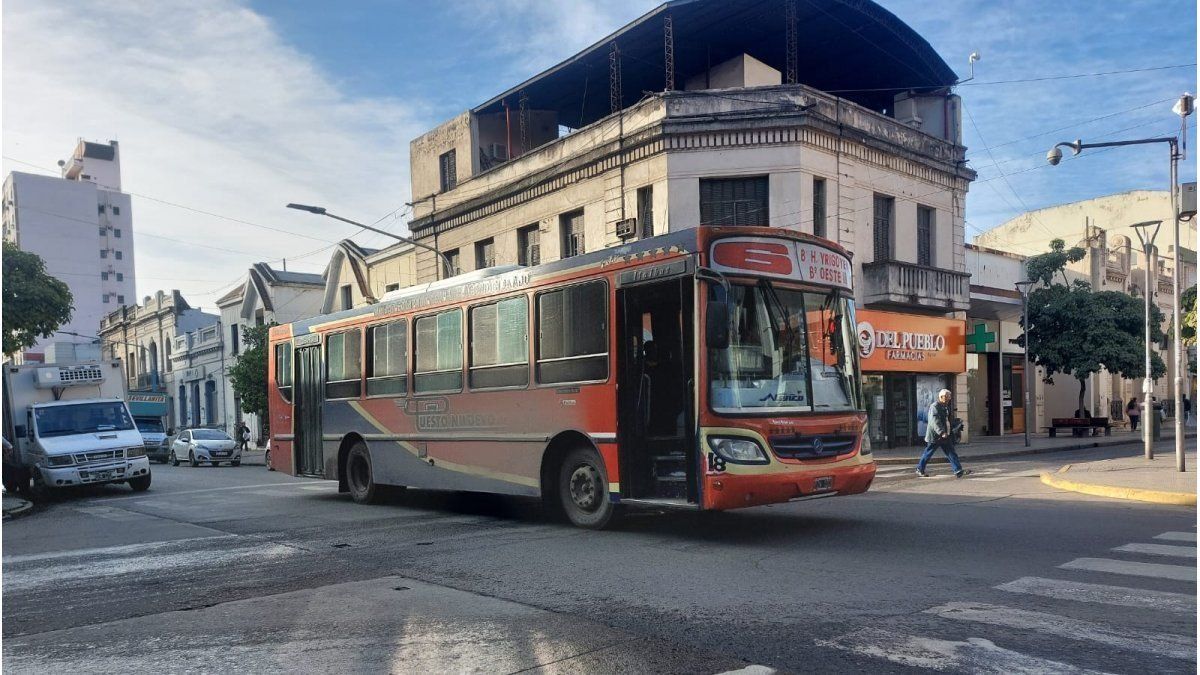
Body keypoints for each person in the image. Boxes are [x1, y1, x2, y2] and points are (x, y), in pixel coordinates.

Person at [917, 389, 970, 478]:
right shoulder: (935, 406)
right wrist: (941, 432)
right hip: (936, 436)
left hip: (945, 435)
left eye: (949, 398)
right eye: (947, 398)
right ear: (941, 397)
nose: (949, 400)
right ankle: (920, 469)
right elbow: (935, 421)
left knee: (951, 452)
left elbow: (946, 420)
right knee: (928, 453)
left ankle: (958, 470)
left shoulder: (944, 407)